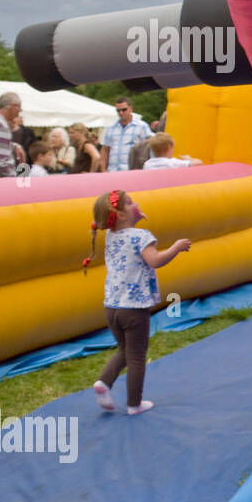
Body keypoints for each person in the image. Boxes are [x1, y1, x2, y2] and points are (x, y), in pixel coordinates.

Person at [82, 189, 192, 415]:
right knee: (136, 355)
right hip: (134, 307)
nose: (137, 203)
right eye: (131, 202)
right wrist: (177, 248)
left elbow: (128, 247)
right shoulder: (141, 236)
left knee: (125, 349)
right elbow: (155, 261)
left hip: (112, 306)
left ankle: (103, 382)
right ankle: (134, 404)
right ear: (121, 215)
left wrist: (135, 218)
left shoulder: (111, 236)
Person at [100, 98, 152, 172]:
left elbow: (148, 149)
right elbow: (105, 150)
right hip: (112, 172)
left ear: (131, 109)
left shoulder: (142, 126)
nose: (121, 113)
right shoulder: (110, 128)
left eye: (124, 110)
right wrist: (103, 169)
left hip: (133, 171)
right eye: (118, 110)